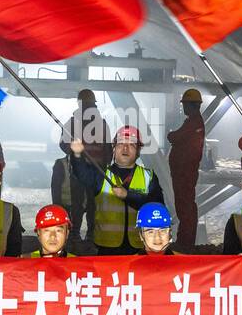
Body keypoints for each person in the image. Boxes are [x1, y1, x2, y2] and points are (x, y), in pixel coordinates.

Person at [70, 126, 164, 254]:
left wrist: (128, 196)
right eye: (120, 144)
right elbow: (81, 173)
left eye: (131, 145)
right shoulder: (101, 174)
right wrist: (77, 154)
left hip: (139, 248)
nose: (125, 148)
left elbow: (158, 207)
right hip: (106, 249)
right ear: (114, 148)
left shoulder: (149, 176)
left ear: (138, 150)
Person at [59, 89, 111, 237]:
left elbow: (108, 150)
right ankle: (83, 233)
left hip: (91, 171)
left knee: (84, 203)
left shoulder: (74, 124)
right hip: (89, 170)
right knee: (84, 203)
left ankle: (84, 233)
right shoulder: (99, 123)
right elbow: (108, 151)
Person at [167, 88, 205, 250]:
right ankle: (185, 239)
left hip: (185, 171)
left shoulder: (193, 123)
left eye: (185, 104)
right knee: (185, 204)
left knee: (185, 205)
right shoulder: (193, 121)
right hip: (183, 171)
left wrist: (170, 135)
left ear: (192, 105)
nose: (183, 107)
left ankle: (185, 241)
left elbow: (176, 137)